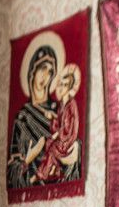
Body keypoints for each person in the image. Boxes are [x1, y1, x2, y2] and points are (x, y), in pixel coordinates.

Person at [7, 44, 81, 189]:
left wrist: (74, 148)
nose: (45, 77)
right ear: (32, 71)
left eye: (50, 72)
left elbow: (69, 136)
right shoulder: (22, 118)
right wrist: (29, 158)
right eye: (42, 69)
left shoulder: (58, 109)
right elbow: (11, 172)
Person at [35, 63, 81, 184]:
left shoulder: (71, 104)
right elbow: (59, 122)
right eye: (61, 84)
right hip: (62, 136)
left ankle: (43, 174)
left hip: (68, 138)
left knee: (52, 146)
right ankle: (54, 171)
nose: (61, 87)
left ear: (69, 87)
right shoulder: (61, 104)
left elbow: (68, 127)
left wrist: (56, 135)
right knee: (49, 143)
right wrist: (53, 117)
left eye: (65, 85)